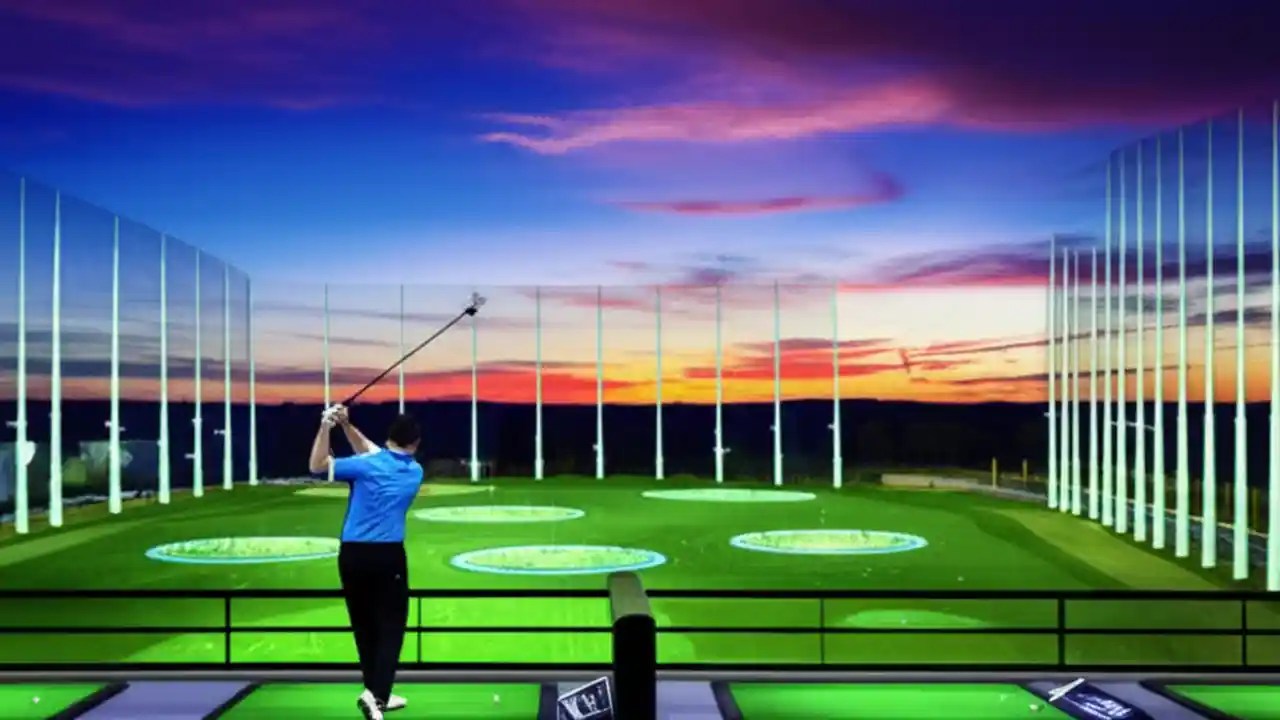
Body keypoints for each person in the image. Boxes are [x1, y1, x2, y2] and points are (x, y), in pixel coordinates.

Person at [309, 405, 424, 720]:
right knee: (391, 628)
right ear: (415, 443)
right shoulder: (415, 472)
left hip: (352, 556)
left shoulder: (366, 466)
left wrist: (327, 426)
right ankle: (377, 696)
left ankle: (376, 691)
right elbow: (370, 451)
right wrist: (344, 425)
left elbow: (317, 465)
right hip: (388, 557)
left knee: (365, 626)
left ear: (389, 438)